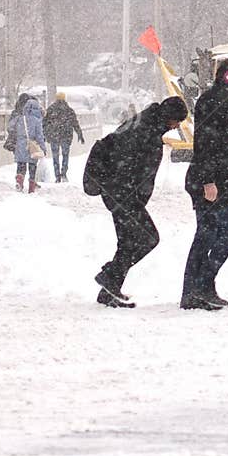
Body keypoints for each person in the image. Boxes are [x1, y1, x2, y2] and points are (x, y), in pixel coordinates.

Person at [83, 97, 189, 308]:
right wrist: (130, 192)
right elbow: (126, 161)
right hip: (121, 194)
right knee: (149, 238)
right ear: (169, 117)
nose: (176, 126)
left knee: (128, 242)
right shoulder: (145, 129)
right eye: (177, 121)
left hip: (120, 192)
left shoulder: (146, 123)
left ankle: (108, 291)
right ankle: (110, 277)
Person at [181, 57, 228, 311]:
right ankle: (201, 285)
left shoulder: (227, 99)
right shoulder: (217, 101)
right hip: (212, 181)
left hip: (222, 179)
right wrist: (208, 181)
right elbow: (206, 144)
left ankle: (197, 290)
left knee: (207, 235)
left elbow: (224, 146)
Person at [8, 93, 47, 193]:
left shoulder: (20, 118)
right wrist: (43, 148)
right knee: (32, 166)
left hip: (20, 143)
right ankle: (31, 186)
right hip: (32, 144)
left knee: (21, 164)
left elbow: (10, 127)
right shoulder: (37, 121)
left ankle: (19, 181)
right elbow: (40, 136)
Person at [43, 91, 85, 183]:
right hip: (66, 136)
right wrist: (79, 134)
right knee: (65, 155)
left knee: (55, 156)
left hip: (54, 136)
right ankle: (64, 173)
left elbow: (45, 123)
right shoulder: (69, 110)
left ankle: (57, 175)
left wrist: (44, 135)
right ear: (64, 99)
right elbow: (75, 123)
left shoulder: (50, 109)